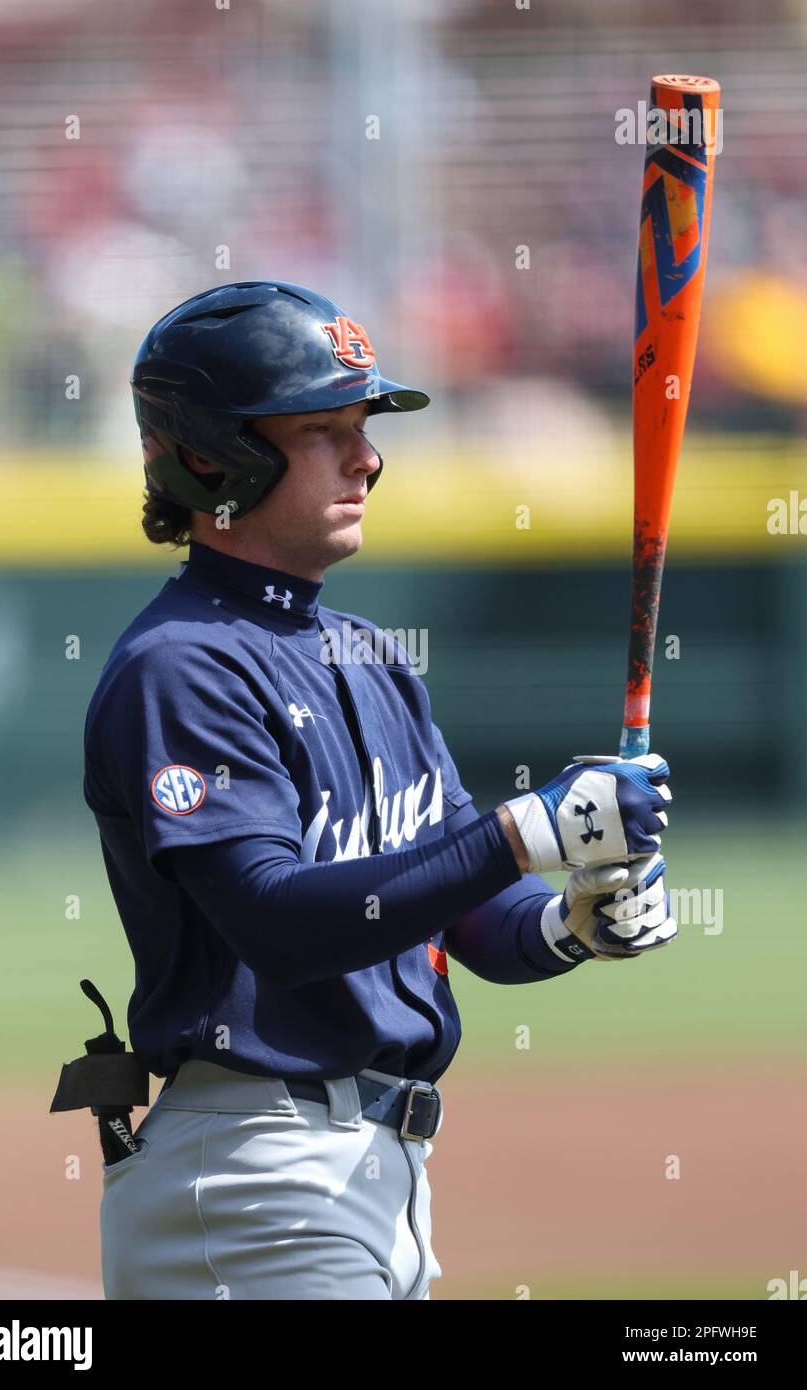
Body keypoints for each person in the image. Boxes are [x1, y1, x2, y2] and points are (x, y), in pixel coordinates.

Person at [83, 279, 676, 1301]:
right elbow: (278, 922)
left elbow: (474, 915)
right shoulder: (181, 666)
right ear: (215, 453)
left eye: (361, 426)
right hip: (255, 1180)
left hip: (369, 1182)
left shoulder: (366, 654)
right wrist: (536, 826)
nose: (367, 456)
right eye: (324, 428)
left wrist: (570, 921)